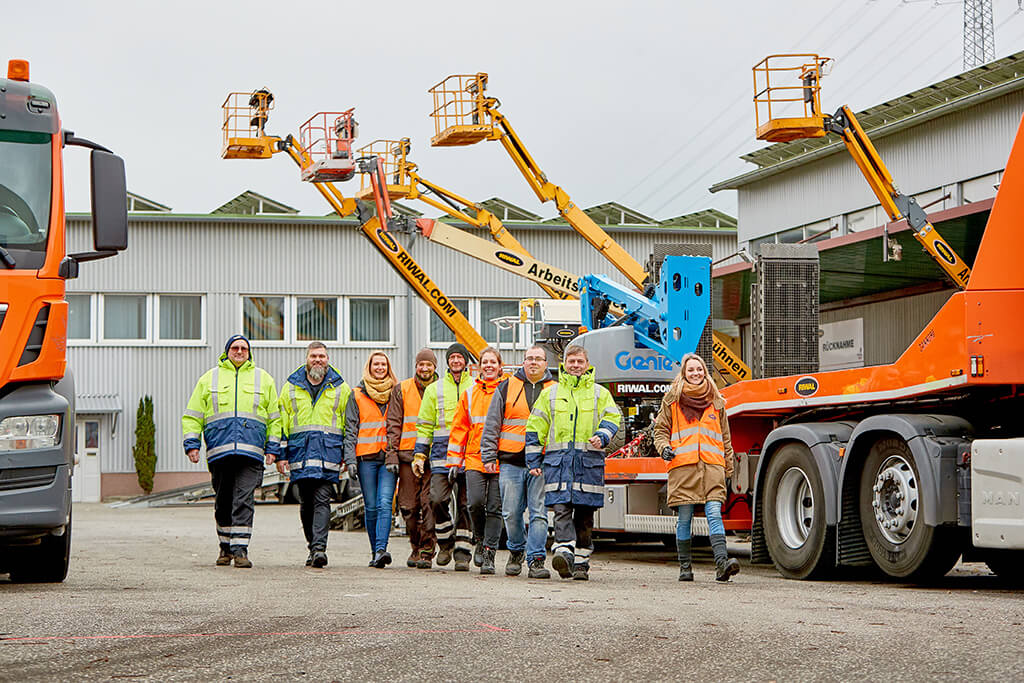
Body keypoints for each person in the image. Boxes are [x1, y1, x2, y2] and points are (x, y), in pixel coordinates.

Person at [182, 335, 280, 568]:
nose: (239, 351)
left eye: (243, 348)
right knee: (224, 499)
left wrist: (273, 448)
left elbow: (275, 418)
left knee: (243, 498)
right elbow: (193, 415)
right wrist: (192, 445)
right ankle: (224, 547)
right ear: (227, 352)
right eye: (235, 348)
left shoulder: (263, 379)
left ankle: (240, 550)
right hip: (220, 451)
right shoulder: (209, 378)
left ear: (249, 352)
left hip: (251, 452)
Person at [526, 344, 621, 581]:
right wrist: (533, 459)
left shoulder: (600, 393)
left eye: (580, 362)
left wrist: (603, 435)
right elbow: (535, 427)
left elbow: (612, 417)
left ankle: (581, 563)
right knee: (561, 509)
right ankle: (564, 552)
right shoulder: (550, 393)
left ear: (587, 364)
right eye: (572, 362)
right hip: (558, 464)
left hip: (588, 464)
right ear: (564, 364)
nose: (576, 366)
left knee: (585, 516)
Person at [652, 352, 740, 582]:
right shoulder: (672, 399)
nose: (696, 373)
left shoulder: (717, 401)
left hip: (712, 468)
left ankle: (722, 564)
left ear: (705, 372)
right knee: (684, 518)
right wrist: (664, 449)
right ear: (684, 373)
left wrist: (728, 470)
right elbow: (660, 430)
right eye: (691, 370)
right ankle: (685, 567)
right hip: (683, 467)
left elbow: (726, 439)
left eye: (699, 369)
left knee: (714, 513)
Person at [482, 345, 555, 578]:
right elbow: (492, 423)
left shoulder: (555, 390)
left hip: (543, 462)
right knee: (511, 513)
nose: (533, 362)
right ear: (523, 362)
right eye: (529, 358)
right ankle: (516, 550)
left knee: (539, 513)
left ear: (546, 363)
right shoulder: (506, 387)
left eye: (538, 359)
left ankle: (536, 560)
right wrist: (488, 455)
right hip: (511, 461)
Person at [277, 342, 351, 569]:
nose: (317, 360)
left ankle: (320, 549)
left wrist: (347, 456)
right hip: (300, 455)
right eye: (313, 356)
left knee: (322, 501)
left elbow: (349, 425)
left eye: (321, 356)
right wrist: (281, 455)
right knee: (306, 503)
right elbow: (281, 423)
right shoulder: (290, 387)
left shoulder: (341, 387)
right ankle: (312, 546)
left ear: (328, 359)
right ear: (306, 359)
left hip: (328, 455)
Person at [412, 342, 474, 571]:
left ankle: (462, 553)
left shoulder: (476, 387)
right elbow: (425, 426)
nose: (456, 361)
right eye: (452, 357)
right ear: (447, 362)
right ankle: (446, 541)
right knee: (436, 499)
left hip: (470, 455)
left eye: (460, 357)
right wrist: (419, 455)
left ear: (466, 361)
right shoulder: (434, 389)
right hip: (441, 456)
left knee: (467, 504)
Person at [446, 346, 508, 575]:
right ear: (478, 367)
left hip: (501, 459)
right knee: (474, 502)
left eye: (493, 362)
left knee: (495, 507)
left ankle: (489, 553)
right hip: (474, 457)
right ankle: (479, 538)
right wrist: (454, 461)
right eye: (485, 362)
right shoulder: (470, 393)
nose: (489, 366)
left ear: (500, 366)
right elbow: (459, 428)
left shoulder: (507, 391)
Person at [344, 350, 399, 568]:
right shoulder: (357, 394)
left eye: (383, 365)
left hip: (388, 458)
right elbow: (350, 429)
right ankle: (374, 550)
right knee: (371, 506)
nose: (379, 368)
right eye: (376, 364)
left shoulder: (396, 392)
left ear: (388, 368)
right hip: (365, 459)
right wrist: (349, 460)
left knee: (385, 503)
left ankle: (380, 550)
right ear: (369, 367)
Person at [386, 348, 439, 569]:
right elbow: (393, 423)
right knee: (408, 507)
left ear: (435, 367)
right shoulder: (402, 389)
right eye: (421, 364)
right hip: (407, 456)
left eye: (429, 365)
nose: (424, 368)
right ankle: (415, 546)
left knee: (429, 504)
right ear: (416, 366)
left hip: (433, 457)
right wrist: (392, 455)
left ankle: (427, 550)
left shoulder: (442, 389)